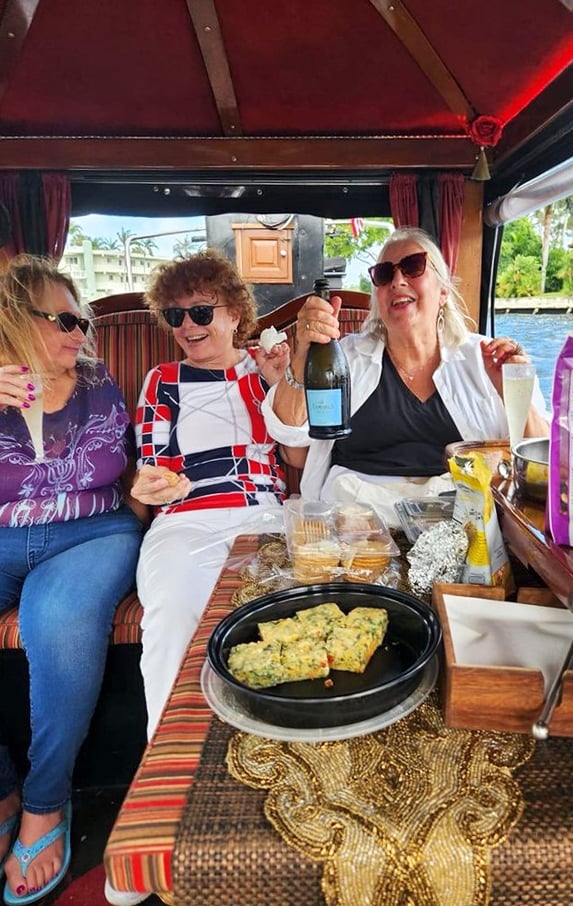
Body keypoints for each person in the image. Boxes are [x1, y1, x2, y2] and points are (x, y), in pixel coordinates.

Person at [103, 250, 293, 906]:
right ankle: (164, 812)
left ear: (235, 312)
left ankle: (275, 797)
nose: (188, 323)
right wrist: (149, 483)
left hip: (264, 514)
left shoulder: (266, 365)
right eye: (177, 314)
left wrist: (277, 383)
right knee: (171, 627)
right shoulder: (161, 379)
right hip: (185, 520)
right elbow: (151, 462)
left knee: (273, 628)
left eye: (202, 311)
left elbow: (297, 451)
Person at [0, 256, 146, 905]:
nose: (81, 333)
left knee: (56, 620)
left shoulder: (95, 378)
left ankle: (44, 806)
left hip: (92, 532)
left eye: (83, 321)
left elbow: (123, 464)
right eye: (64, 320)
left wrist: (146, 515)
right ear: (14, 317)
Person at [263, 226, 549, 521]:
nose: (398, 280)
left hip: (459, 519)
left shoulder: (487, 358)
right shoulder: (345, 359)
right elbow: (293, 447)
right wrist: (302, 355)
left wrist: (514, 393)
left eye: (413, 267)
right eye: (385, 274)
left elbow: (542, 462)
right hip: (357, 519)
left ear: (443, 291)